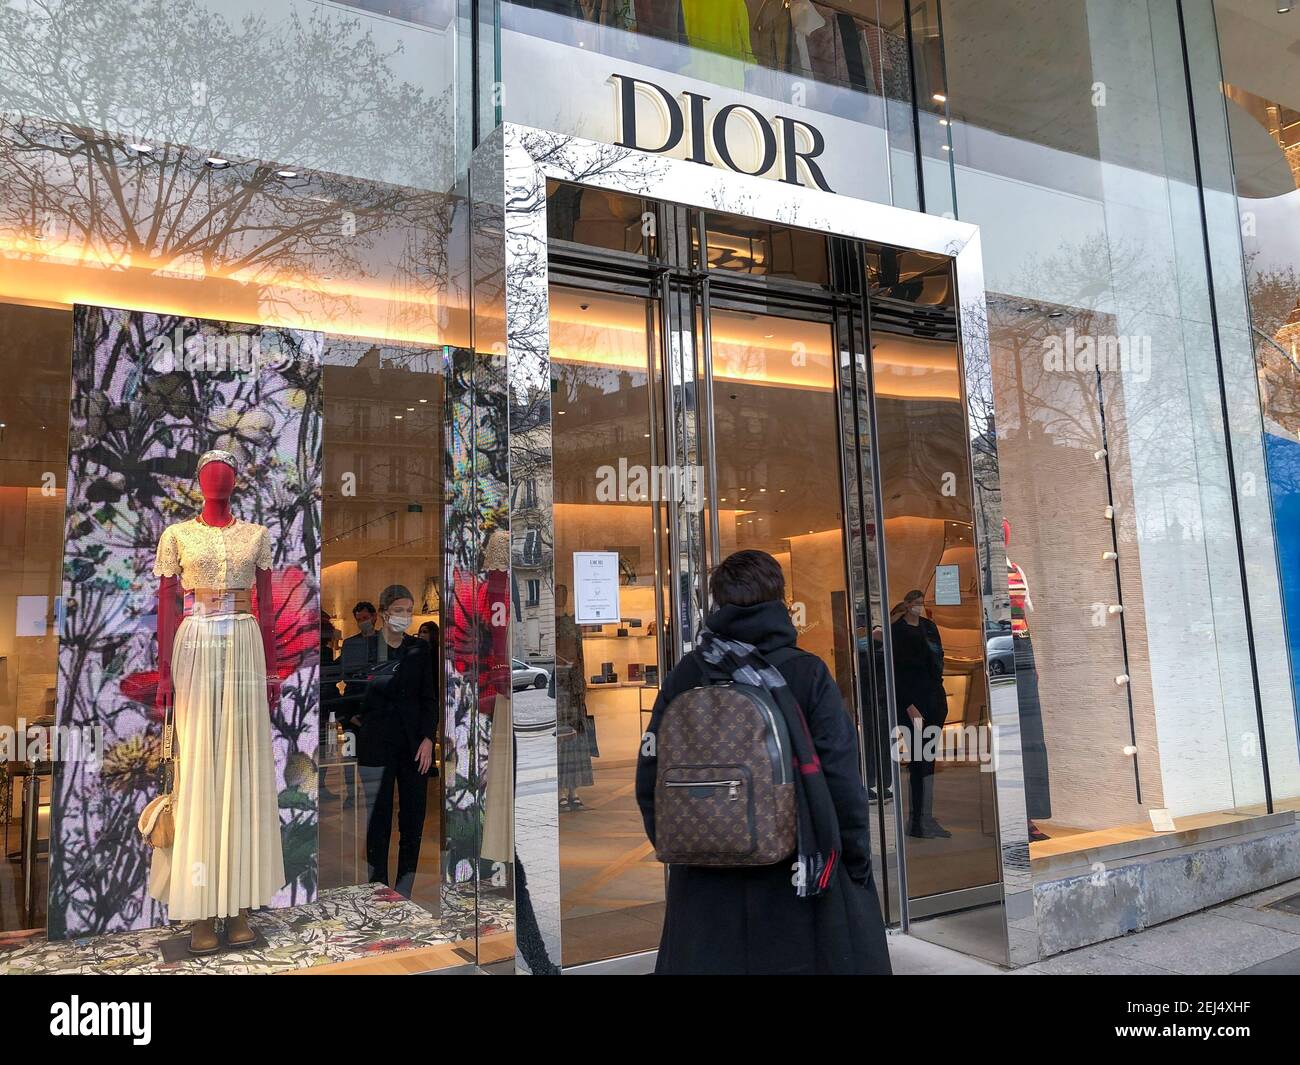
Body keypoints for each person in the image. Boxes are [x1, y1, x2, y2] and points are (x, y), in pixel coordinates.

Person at [635, 549, 892, 975]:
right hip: (795, 880)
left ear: (716, 603)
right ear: (780, 601)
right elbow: (842, 778)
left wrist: (687, 841)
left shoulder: (688, 674)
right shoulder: (806, 674)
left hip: (704, 885)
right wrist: (854, 861)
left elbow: (650, 777)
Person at [357, 584, 438, 898]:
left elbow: (429, 698)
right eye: (399, 611)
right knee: (377, 820)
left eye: (409, 610)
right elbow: (348, 694)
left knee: (413, 820)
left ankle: (404, 889)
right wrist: (356, 724)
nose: (405, 616)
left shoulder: (418, 651)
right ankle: (378, 888)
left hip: (413, 746)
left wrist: (428, 738)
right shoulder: (365, 649)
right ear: (384, 613)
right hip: (376, 745)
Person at [891, 589, 950, 839]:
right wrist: (908, 704)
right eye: (914, 603)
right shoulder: (897, 632)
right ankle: (917, 820)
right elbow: (897, 671)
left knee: (929, 761)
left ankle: (926, 816)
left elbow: (938, 658)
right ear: (906, 605)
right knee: (918, 761)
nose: (918, 606)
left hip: (933, 697)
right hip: (912, 702)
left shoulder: (928, 627)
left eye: (921, 602)